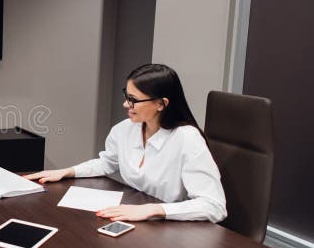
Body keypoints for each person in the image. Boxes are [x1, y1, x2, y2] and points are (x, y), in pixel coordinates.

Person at [25, 63, 226, 223]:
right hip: (138, 221)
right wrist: (67, 171)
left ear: (161, 104)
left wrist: (153, 210)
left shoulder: (187, 139)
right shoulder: (125, 129)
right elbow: (107, 163)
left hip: (173, 229)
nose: (125, 105)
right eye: (126, 96)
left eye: (133, 100)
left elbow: (214, 206)